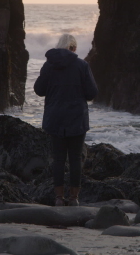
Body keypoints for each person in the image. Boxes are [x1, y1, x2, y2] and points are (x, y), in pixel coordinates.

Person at [34, 33, 98, 207]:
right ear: (74, 48)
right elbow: (92, 93)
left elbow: (39, 90)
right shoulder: (82, 65)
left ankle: (58, 198)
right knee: (76, 158)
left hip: (55, 117)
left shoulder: (49, 65)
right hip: (77, 118)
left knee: (58, 159)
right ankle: (74, 198)